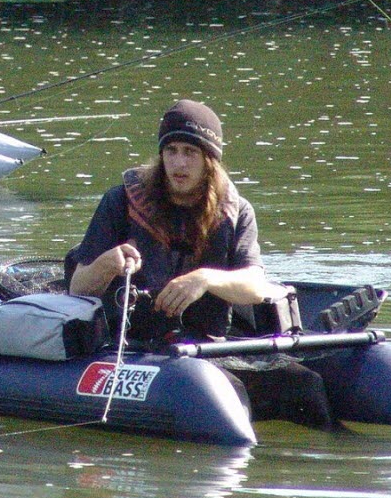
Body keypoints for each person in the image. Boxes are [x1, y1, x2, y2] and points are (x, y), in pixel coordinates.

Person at [65, 99, 289, 344]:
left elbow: (255, 288)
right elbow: (78, 288)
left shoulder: (238, 211)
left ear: (209, 160)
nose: (179, 163)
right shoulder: (119, 202)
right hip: (133, 345)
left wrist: (205, 279)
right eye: (171, 150)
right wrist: (107, 264)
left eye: (190, 152)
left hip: (205, 346)